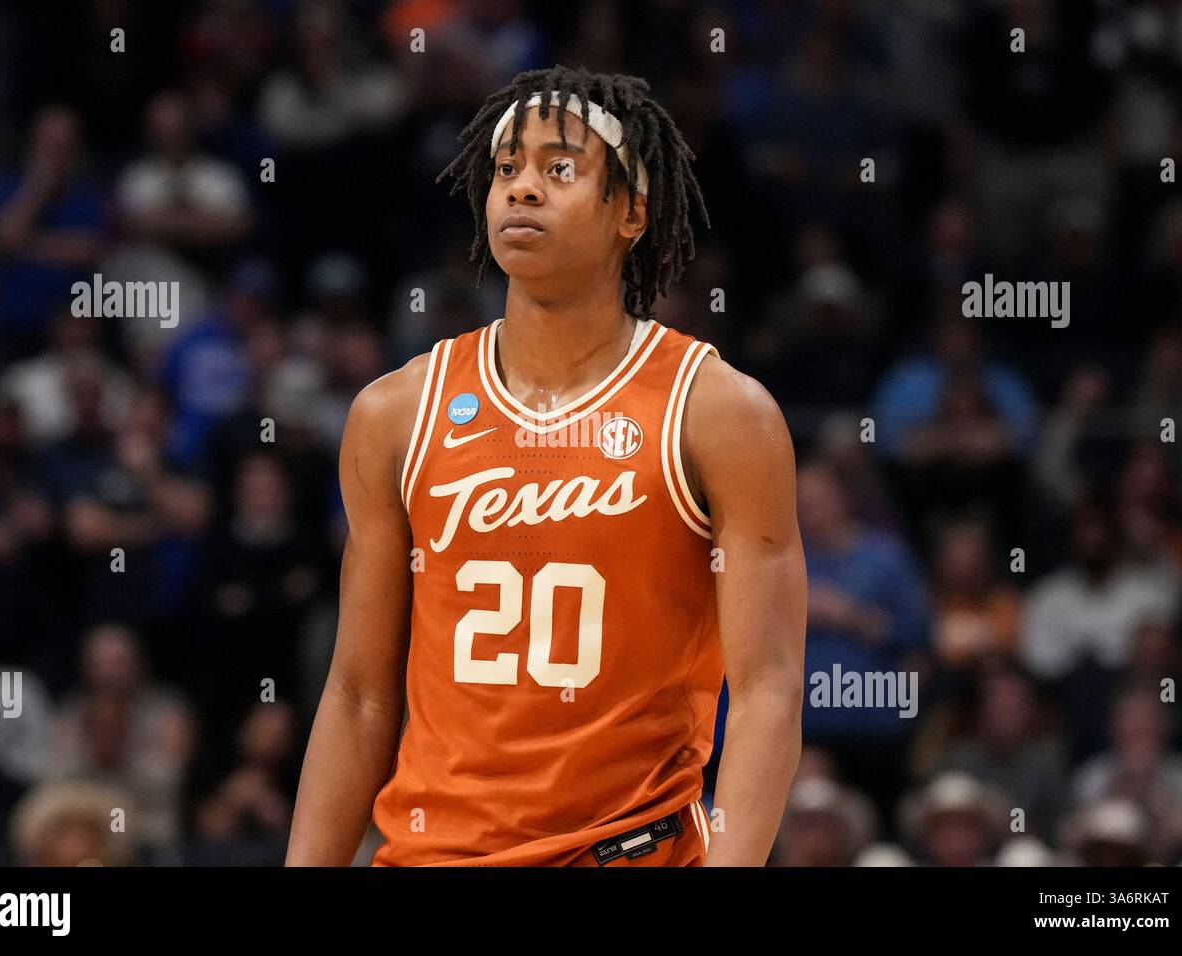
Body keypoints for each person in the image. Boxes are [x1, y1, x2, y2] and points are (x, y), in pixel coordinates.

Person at [287, 65, 808, 867]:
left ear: (631, 211)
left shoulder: (719, 414)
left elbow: (769, 692)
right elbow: (359, 696)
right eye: (507, 169)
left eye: (559, 169)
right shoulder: (395, 414)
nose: (522, 189)